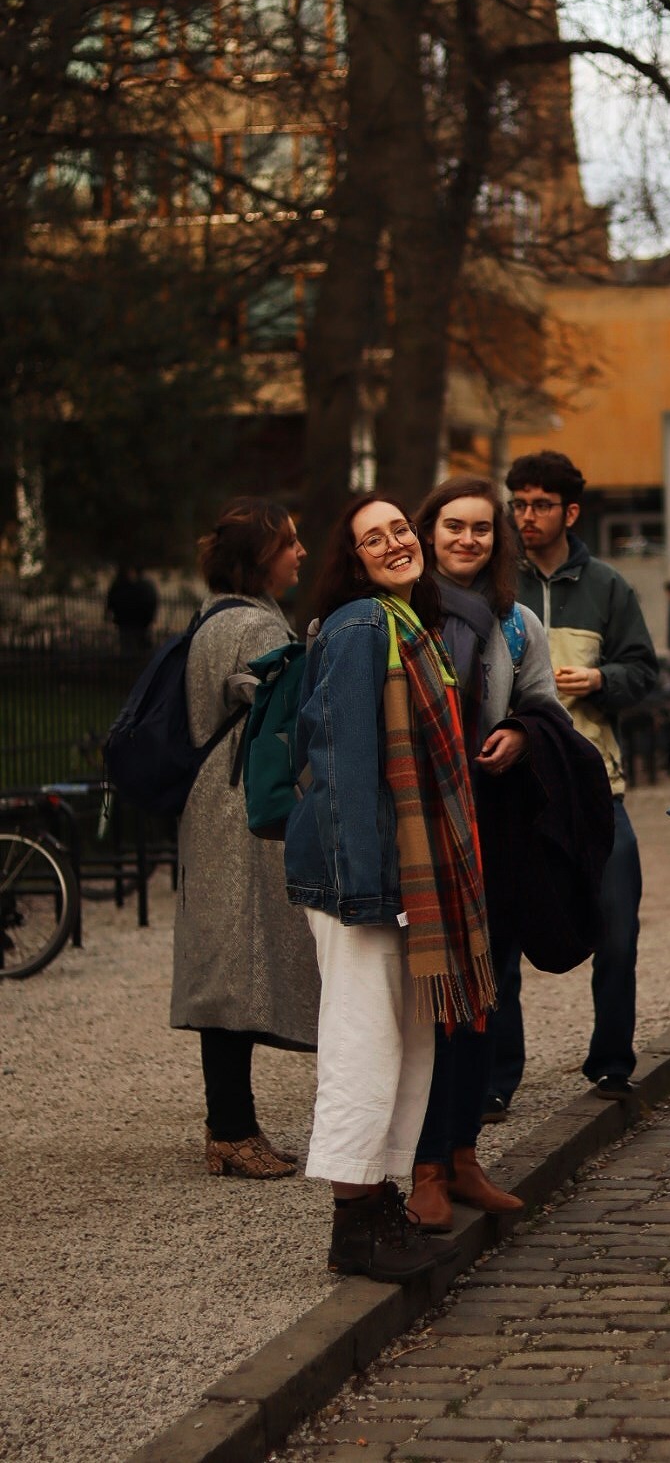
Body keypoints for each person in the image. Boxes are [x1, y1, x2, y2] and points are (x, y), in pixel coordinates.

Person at [284, 493, 496, 1282]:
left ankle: (377, 1206)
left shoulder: (411, 627)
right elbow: (339, 758)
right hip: (362, 879)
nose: (397, 543)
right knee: (363, 1043)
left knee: (406, 1042)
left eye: (401, 529)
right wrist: (362, 884)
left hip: (400, 875)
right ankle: (353, 1223)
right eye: (375, 539)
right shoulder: (362, 627)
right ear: (355, 560)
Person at [404, 475, 561, 1231]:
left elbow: (548, 712)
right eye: (454, 526)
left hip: (491, 832)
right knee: (429, 1007)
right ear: (427, 531)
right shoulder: (395, 614)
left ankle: (464, 1156)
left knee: (481, 1003)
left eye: (482, 530)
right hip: (419, 831)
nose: (468, 540)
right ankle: (424, 1164)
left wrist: (524, 733)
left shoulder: (518, 622)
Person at [485, 450, 659, 1114]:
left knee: (617, 931)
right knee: (500, 943)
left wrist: (601, 681)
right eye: (519, 504)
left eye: (541, 505)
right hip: (515, 791)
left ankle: (612, 1064)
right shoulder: (494, 587)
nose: (527, 517)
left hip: (598, 788)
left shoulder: (609, 587)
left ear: (571, 512)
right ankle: (499, 1078)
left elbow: (644, 673)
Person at [171, 497, 320, 1180]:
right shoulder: (254, 624)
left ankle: (232, 1125)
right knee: (237, 972)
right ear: (261, 556)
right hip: (240, 810)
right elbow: (288, 707)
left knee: (233, 968)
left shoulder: (217, 617)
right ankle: (230, 1131)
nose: (301, 554)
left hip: (218, 805)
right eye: (290, 543)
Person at [106, 564, 159, 653]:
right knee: (129, 648)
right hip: (127, 623)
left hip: (139, 624)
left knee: (139, 648)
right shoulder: (120, 586)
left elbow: (149, 604)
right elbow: (112, 600)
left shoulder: (142, 587)